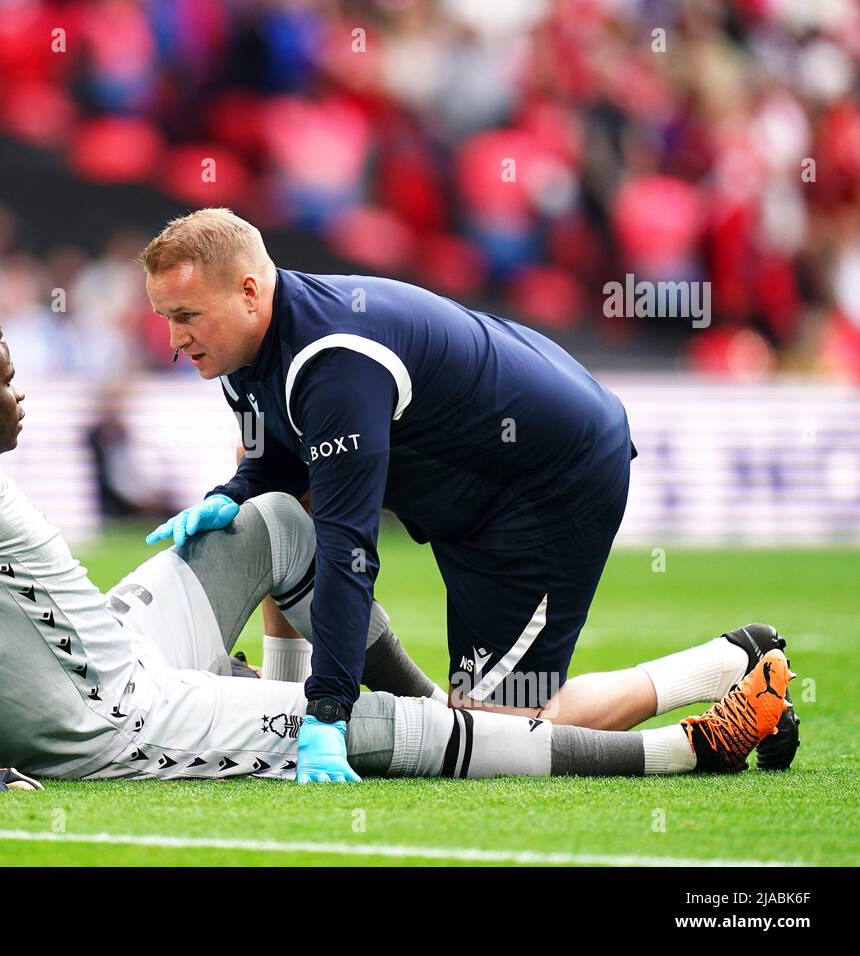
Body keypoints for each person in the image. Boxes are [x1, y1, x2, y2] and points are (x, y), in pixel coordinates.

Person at [0, 302, 792, 792]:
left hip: (118, 640)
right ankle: (698, 735)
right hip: (121, 720)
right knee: (409, 733)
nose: (21, 396)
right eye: (3, 383)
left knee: (268, 521)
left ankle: (300, 697)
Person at [141, 208, 799, 783]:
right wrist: (239, 490)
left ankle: (723, 663)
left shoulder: (334, 361)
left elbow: (347, 546)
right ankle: (281, 693)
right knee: (278, 507)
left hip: (547, 485)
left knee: (493, 730)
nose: (174, 340)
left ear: (251, 292)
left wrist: (327, 713)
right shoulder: (245, 353)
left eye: (186, 316)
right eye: (166, 318)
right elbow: (274, 462)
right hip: (482, 479)